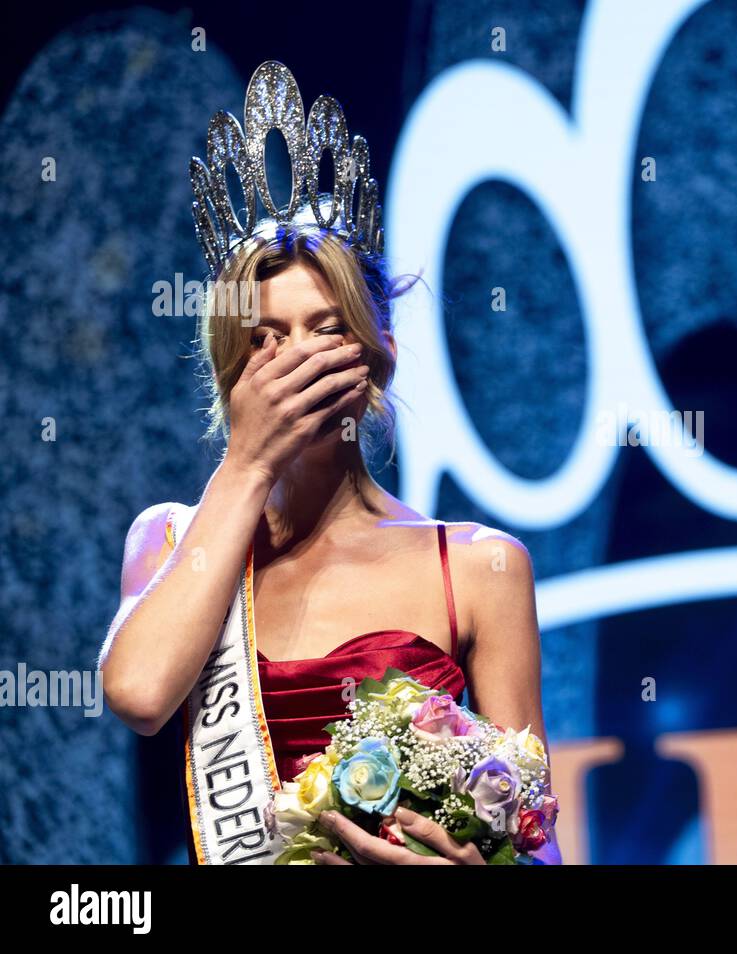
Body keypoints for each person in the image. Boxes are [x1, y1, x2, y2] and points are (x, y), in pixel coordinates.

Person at [98, 61, 558, 865]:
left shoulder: (479, 566)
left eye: (323, 327)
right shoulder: (175, 541)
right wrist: (246, 464)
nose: (294, 361)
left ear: (373, 353)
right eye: (265, 339)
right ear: (231, 367)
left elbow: (539, 839)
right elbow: (138, 694)